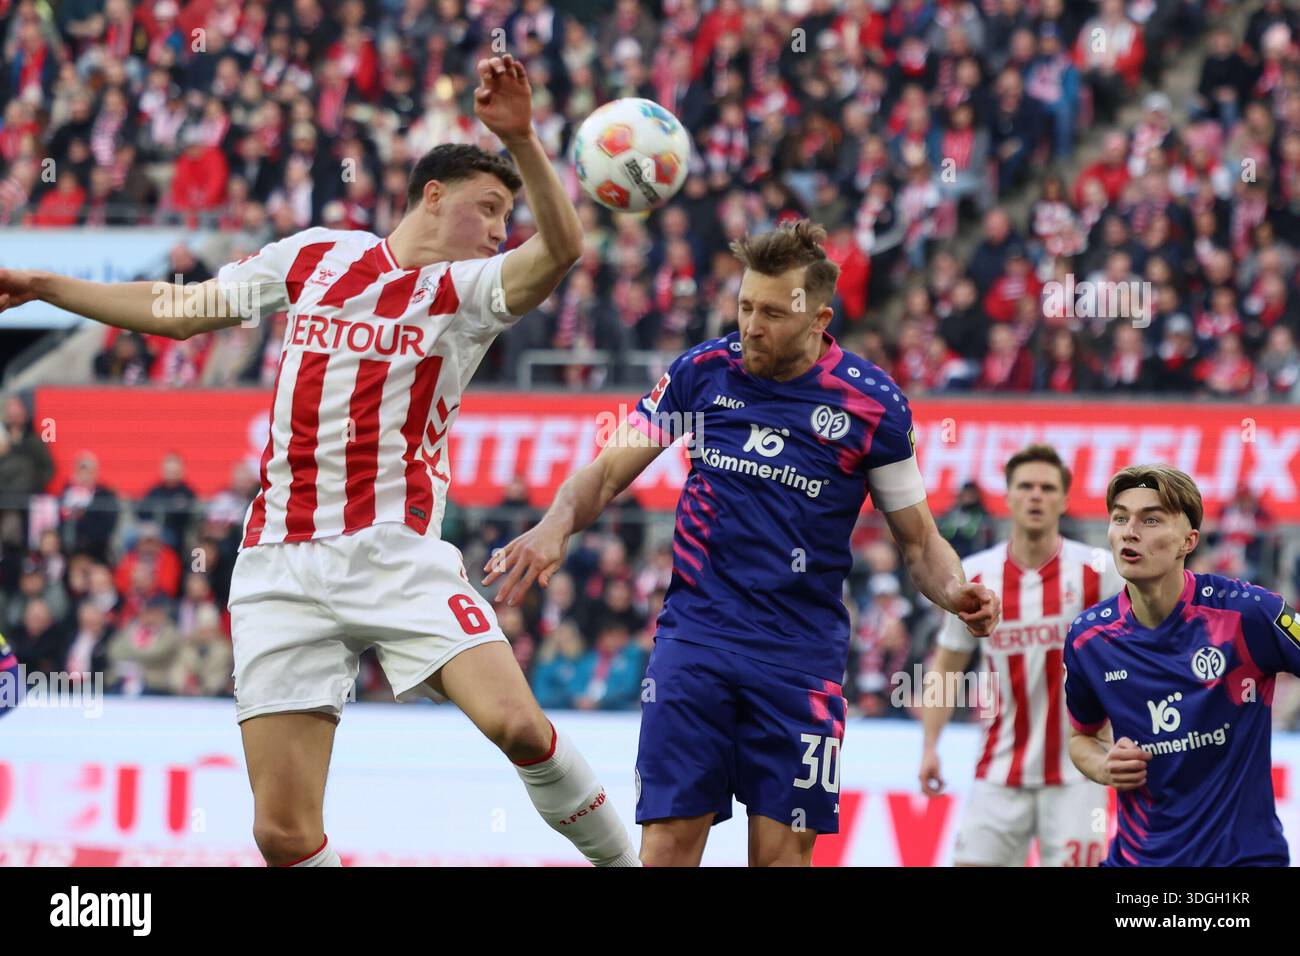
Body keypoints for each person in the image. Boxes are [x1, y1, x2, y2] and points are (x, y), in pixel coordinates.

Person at [0, 54, 637, 869]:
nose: (495, 233)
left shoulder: (467, 295)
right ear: (431, 198)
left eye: (505, 218)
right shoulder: (314, 258)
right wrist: (50, 283)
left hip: (396, 556)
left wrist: (520, 138)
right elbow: (181, 312)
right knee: (282, 836)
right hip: (279, 565)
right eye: (486, 209)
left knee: (516, 724)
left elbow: (563, 249)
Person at [486, 219, 1000, 866]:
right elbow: (606, 472)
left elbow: (921, 543)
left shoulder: (873, 407)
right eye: (744, 306)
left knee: (782, 856)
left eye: (772, 313)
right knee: (668, 845)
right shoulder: (703, 374)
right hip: (695, 642)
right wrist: (554, 526)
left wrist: (956, 592)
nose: (752, 325)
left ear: (819, 318)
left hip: (799, 660)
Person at [1066, 464, 1300, 866]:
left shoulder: (1248, 613)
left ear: (1188, 541)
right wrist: (1104, 765)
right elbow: (1081, 738)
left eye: (1151, 519)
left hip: (1243, 861)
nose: (1129, 531)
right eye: (1120, 517)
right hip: (1137, 861)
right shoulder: (1089, 639)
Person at [919, 444, 1123, 866]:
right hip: (999, 769)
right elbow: (948, 664)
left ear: (1065, 500)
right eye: (1025, 486)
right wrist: (929, 746)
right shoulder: (975, 575)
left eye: (1047, 488)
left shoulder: (1099, 573)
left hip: (1078, 773)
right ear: (1008, 496)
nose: (1036, 496)